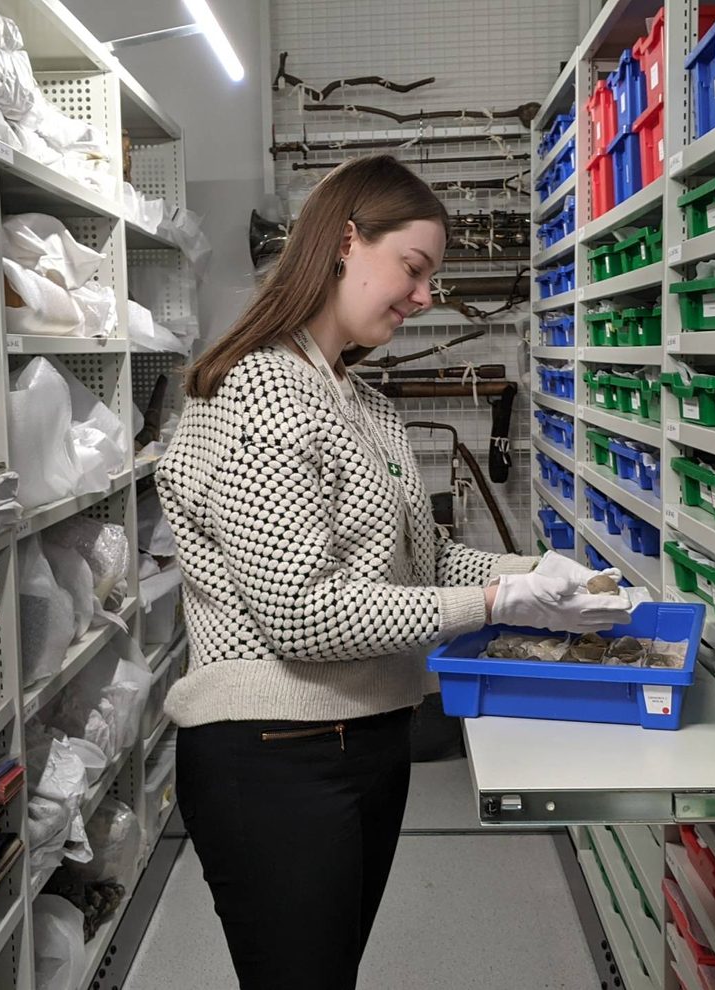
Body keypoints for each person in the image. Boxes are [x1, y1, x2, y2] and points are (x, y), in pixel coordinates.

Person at [155, 154, 634, 989]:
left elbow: (423, 559)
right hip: (275, 756)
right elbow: (302, 615)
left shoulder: (362, 401)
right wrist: (493, 600)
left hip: (367, 735)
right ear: (346, 242)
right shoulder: (268, 390)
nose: (423, 297)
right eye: (413, 269)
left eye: (432, 278)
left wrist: (542, 577)